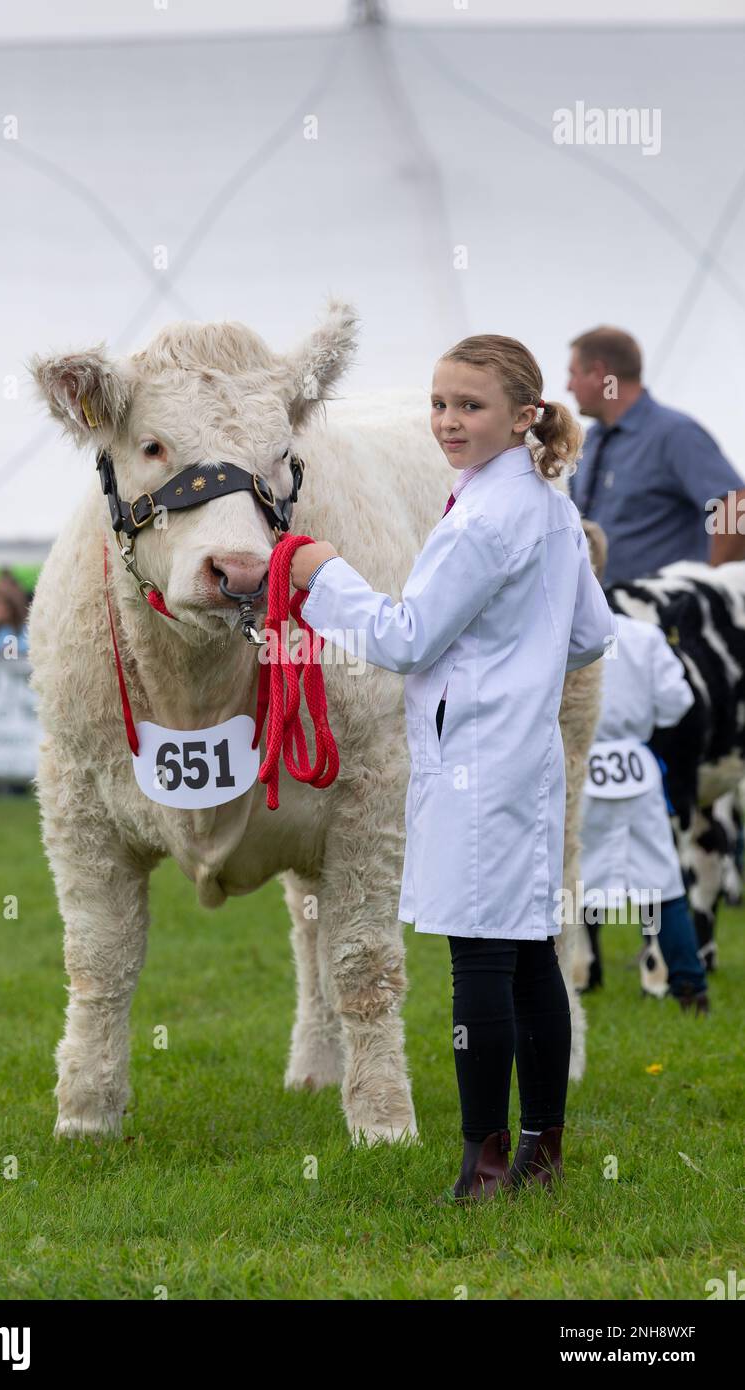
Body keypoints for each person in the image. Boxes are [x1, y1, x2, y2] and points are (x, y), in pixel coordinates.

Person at [291, 335, 617, 1202]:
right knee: (528, 953)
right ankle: (541, 1153)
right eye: (439, 403)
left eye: (469, 406)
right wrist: (519, 655)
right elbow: (588, 633)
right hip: (525, 755)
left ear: (521, 416)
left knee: (479, 960)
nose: (447, 421)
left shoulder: (480, 518)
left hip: (476, 758)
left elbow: (405, 638)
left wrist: (319, 573)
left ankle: (484, 1163)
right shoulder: (546, 501)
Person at [576, 566, 709, 1013]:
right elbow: (679, 702)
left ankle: (565, 982)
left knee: (565, 878)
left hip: (581, 767)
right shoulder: (644, 637)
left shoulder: (557, 636)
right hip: (637, 767)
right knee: (663, 881)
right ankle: (690, 985)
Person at [567, 326, 745, 586]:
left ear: (598, 373)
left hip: (662, 617)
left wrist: (710, 587)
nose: (568, 386)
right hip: (601, 614)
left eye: (573, 374)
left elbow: (736, 505)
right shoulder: (589, 442)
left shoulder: (675, 434)